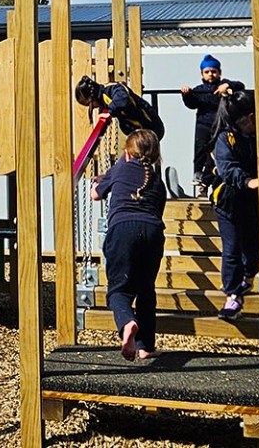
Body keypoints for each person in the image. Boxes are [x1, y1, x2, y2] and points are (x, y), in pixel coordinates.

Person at [91, 130, 168, 360]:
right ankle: (146, 346)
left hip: (123, 230)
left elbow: (96, 195)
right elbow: (157, 209)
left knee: (119, 290)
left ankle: (127, 322)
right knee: (146, 289)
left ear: (127, 153)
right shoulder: (156, 181)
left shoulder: (121, 167)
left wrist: (101, 182)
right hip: (153, 232)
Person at [211, 90, 259, 320]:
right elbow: (227, 168)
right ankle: (232, 296)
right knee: (231, 249)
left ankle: (247, 278)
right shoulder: (226, 138)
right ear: (250, 118)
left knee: (252, 249)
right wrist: (248, 181)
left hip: (251, 201)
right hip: (228, 201)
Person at [180, 54, 245, 195]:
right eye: (207, 72)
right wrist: (186, 94)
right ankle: (197, 172)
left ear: (219, 73)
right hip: (203, 125)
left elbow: (240, 85)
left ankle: (206, 181)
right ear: (202, 74)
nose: (211, 74)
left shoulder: (224, 85)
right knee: (200, 149)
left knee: (214, 156)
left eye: (214, 71)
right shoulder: (198, 90)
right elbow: (192, 104)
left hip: (220, 125)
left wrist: (227, 86)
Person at [74, 75, 165, 141]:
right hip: (139, 132)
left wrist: (109, 112)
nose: (94, 107)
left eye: (91, 105)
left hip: (151, 126)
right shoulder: (103, 98)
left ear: (93, 97)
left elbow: (123, 99)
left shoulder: (111, 89)